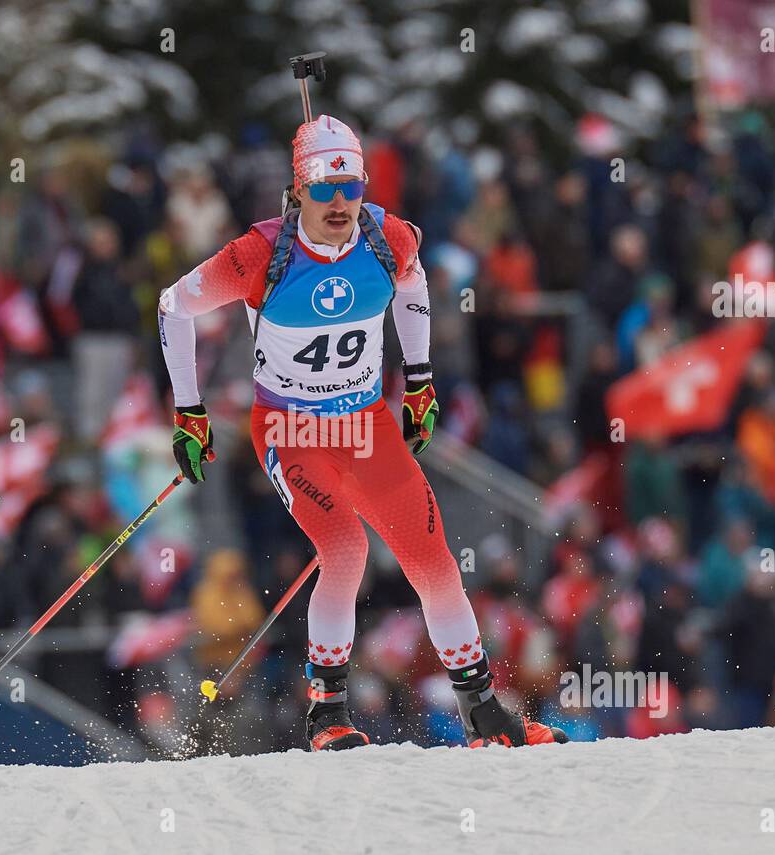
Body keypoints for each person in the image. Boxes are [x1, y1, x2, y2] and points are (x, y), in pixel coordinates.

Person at [156, 113, 566, 751]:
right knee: (344, 552)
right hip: (290, 431)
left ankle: (485, 715)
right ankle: (328, 718)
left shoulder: (388, 237)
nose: (339, 201)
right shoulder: (259, 254)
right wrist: (190, 411)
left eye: (351, 184)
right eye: (322, 186)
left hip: (366, 426)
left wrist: (422, 379)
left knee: (434, 563)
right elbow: (171, 306)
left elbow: (413, 287)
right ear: (297, 191)